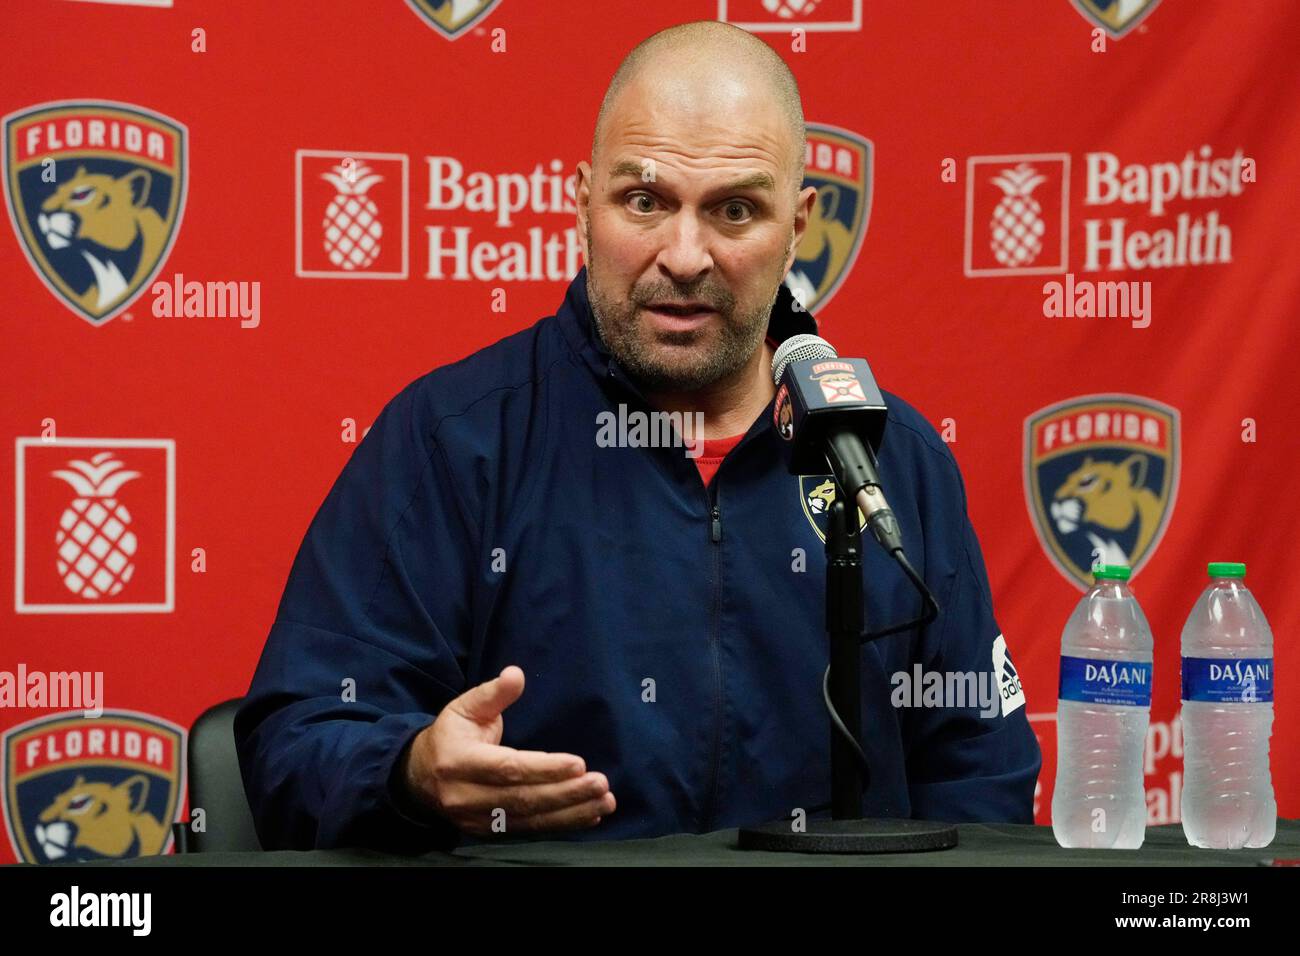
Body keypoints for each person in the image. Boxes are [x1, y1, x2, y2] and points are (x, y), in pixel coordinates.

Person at [235, 20, 1041, 853]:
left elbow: (981, 780)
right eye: (645, 201)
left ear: (800, 223)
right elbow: (295, 744)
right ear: (583, 198)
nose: (684, 255)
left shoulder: (887, 458)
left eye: (735, 210)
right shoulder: (452, 443)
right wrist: (408, 773)